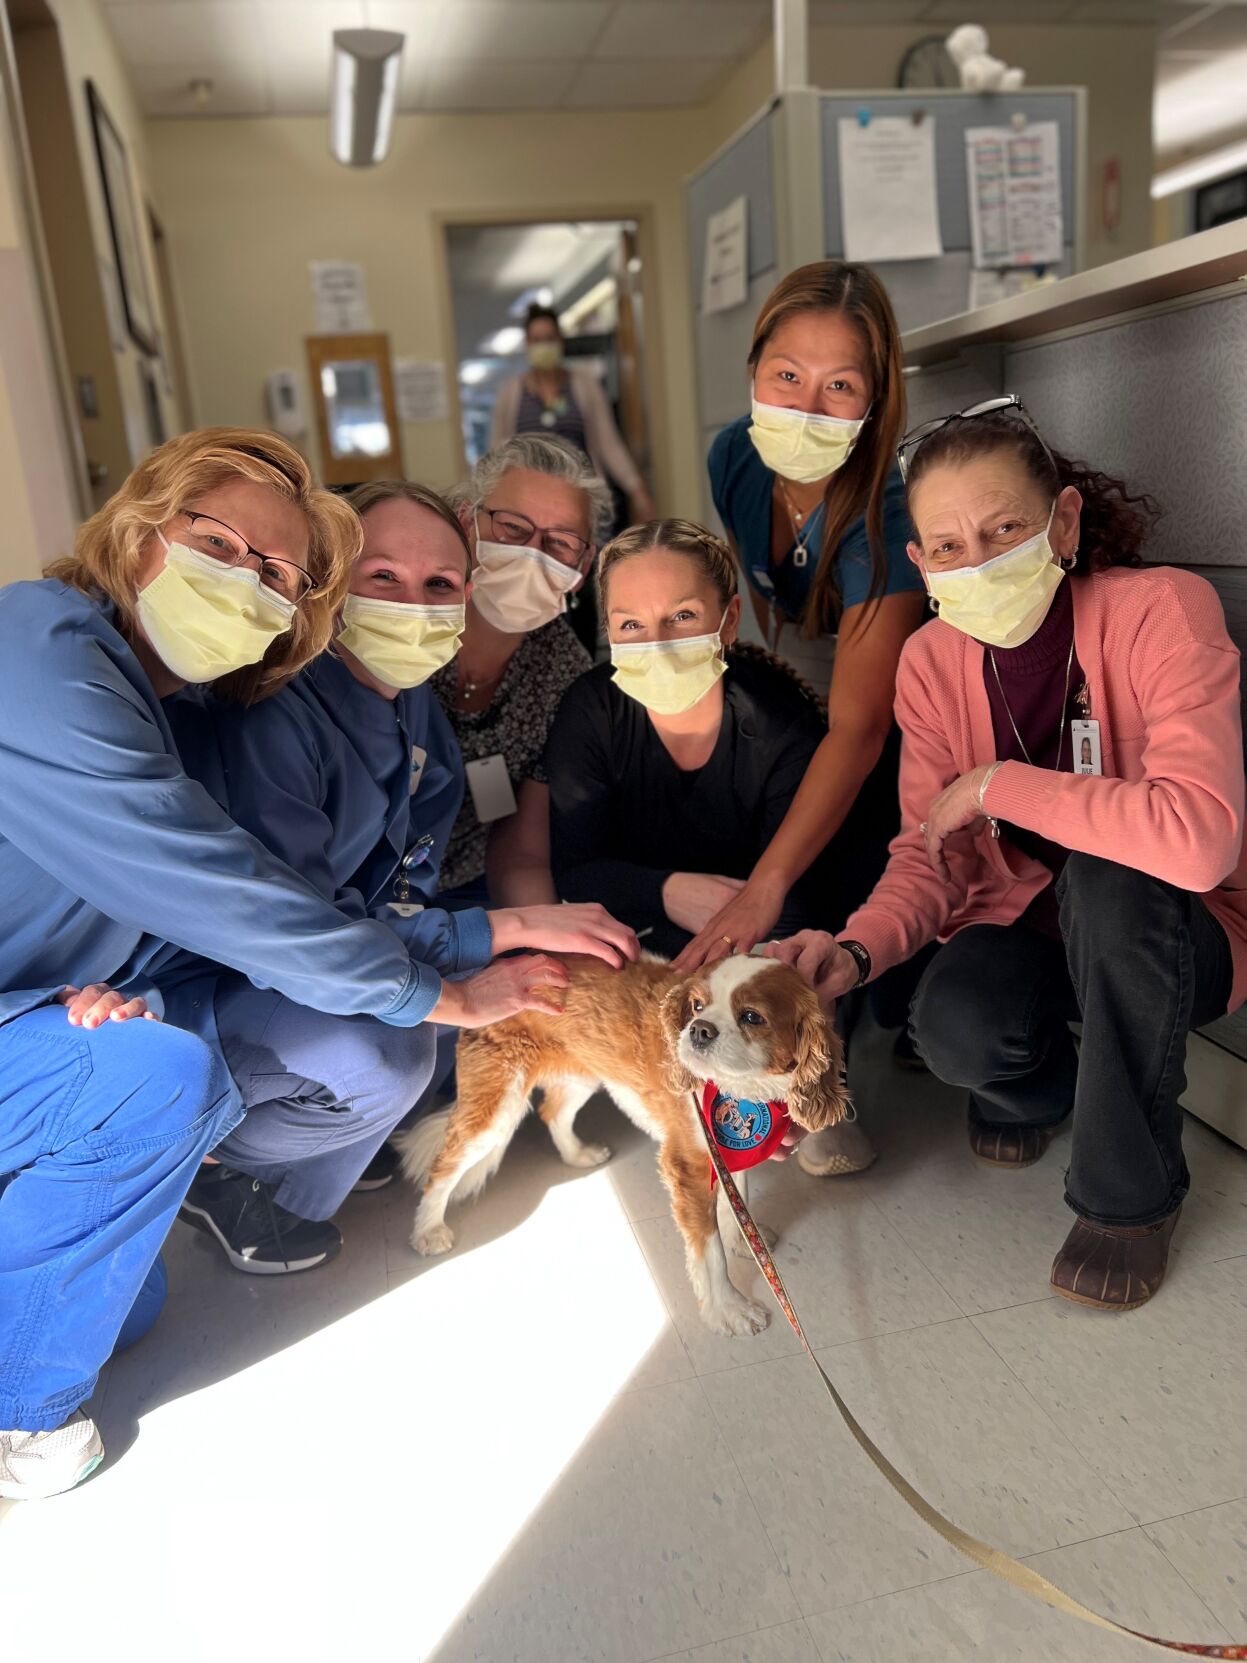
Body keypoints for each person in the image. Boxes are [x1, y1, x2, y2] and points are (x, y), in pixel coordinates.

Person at [0, 428, 597, 1499]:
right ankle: (19, 1416)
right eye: (218, 544)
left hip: (38, 1006)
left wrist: (111, 989)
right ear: (139, 531)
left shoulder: (186, 707)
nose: (247, 582)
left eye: (278, 573)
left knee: (132, 1303)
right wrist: (445, 988)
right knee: (167, 1079)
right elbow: (220, 890)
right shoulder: (39, 652)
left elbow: (182, 915)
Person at [766, 398, 1246, 1311]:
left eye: (1004, 529)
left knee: (1110, 872)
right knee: (952, 1027)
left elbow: (1196, 839)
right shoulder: (927, 664)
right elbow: (926, 858)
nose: (978, 562)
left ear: (1062, 522)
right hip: (1031, 928)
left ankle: (1126, 1200)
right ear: (921, 564)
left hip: (1176, 934)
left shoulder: (1162, 608)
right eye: (948, 546)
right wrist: (854, 951)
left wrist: (996, 784)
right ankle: (1041, 1087)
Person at [166, 478, 634, 1237]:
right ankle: (220, 1168)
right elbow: (302, 931)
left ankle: (328, 1141)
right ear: (328, 582)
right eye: (382, 576)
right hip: (228, 977)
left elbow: (408, 881)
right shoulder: (273, 711)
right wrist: (504, 932)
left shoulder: (410, 699)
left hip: (346, 938)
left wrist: (508, 941)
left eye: (439, 584)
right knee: (393, 1052)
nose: (413, 606)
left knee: (469, 1007)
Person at [546, 517, 876, 1173]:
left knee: (799, 964)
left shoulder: (781, 725)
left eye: (682, 616)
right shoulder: (590, 711)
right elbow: (576, 871)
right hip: (645, 923)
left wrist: (783, 1074)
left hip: (765, 928)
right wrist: (667, 889)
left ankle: (819, 1098)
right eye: (630, 623)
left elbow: (803, 899)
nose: (656, 642)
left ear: (728, 622)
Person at [431, 433, 611, 908]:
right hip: (354, 889)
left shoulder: (563, 676)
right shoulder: (406, 628)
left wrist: (544, 937)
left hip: (471, 890)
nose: (533, 554)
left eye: (561, 542)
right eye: (513, 528)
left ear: (583, 565)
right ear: (468, 522)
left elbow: (521, 853)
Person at [490, 302, 656, 524]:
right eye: (537, 340)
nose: (544, 346)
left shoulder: (585, 385)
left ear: (560, 340)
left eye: (550, 338)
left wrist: (637, 490)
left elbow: (609, 444)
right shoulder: (510, 393)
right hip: (530, 508)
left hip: (583, 504)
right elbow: (498, 454)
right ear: (527, 344)